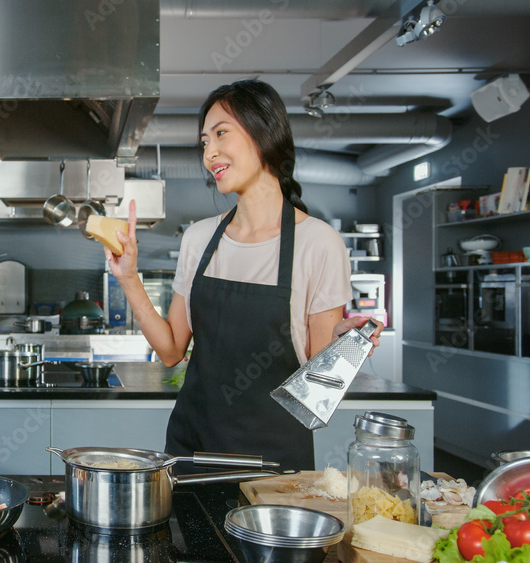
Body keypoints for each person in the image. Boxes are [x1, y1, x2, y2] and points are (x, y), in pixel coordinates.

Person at [105, 79, 383, 470]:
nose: (209, 152)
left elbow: (317, 380)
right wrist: (128, 278)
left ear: (264, 134)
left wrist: (346, 345)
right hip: (192, 450)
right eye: (204, 142)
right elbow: (170, 351)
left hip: (275, 465)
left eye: (221, 134)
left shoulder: (319, 242)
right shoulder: (199, 238)